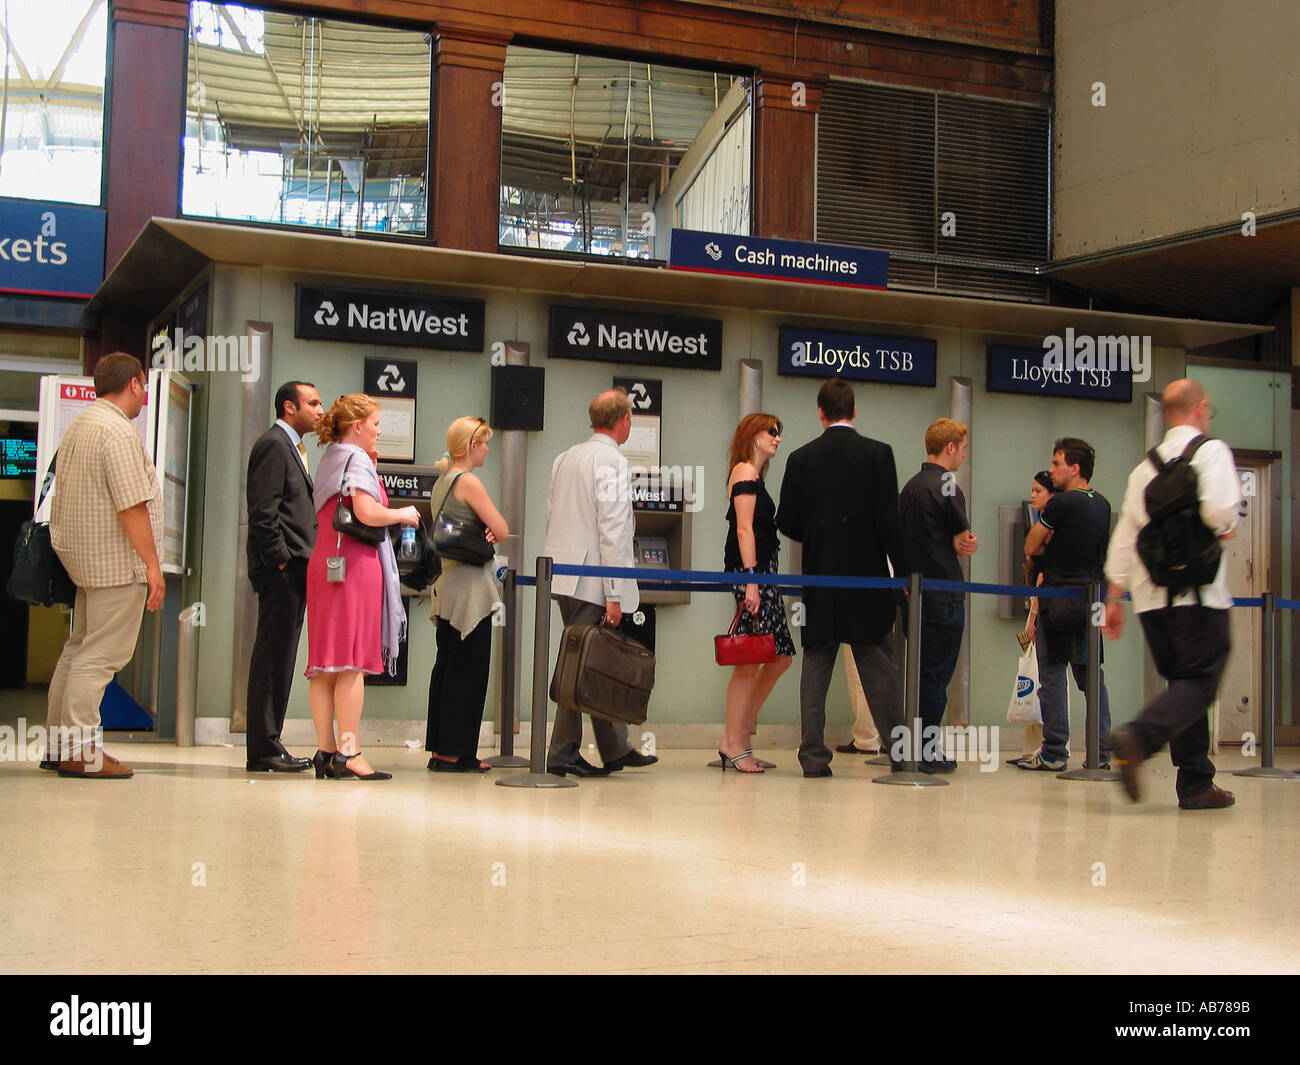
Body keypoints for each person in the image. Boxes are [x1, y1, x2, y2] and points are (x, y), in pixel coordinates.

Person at [1103, 379, 1240, 809]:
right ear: (1200, 408)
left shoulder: (1143, 469)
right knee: (1201, 682)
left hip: (1150, 600)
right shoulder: (1212, 451)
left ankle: (1197, 783)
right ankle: (1137, 738)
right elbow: (1220, 512)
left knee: (1183, 684)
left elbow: (1125, 534)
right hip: (1198, 597)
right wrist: (1224, 527)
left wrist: (1114, 595)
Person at [775, 377, 905, 777]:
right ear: (854, 410)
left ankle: (813, 756)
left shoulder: (800, 458)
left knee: (815, 668)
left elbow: (787, 521)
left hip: (820, 578)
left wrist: (818, 534)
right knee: (879, 670)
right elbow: (889, 524)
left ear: (820, 413)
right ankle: (901, 754)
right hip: (868, 581)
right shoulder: (878, 455)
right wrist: (902, 577)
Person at [45, 352, 164, 778]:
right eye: (143, 386)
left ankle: (59, 746)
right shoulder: (116, 431)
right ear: (134, 383)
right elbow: (131, 506)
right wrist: (152, 565)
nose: (144, 394)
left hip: (85, 561)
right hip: (116, 563)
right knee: (100, 657)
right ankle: (81, 752)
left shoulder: (82, 424)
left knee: (78, 650)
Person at [305, 394, 419, 781]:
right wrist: (403, 513)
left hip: (324, 563)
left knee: (323, 666)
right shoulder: (356, 460)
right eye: (375, 423)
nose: (380, 430)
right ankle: (350, 752)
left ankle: (325, 751)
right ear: (357, 427)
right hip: (352, 567)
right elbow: (366, 513)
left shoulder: (330, 458)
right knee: (352, 663)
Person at [544, 389, 658, 777]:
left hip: (562, 576)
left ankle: (615, 748)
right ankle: (562, 753)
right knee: (581, 665)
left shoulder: (565, 458)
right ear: (623, 420)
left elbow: (553, 517)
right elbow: (613, 530)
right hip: (593, 580)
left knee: (590, 659)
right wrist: (614, 591)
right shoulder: (613, 461)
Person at [1016, 437, 1112, 771]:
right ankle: (1100, 752)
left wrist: (1044, 545)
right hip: (1091, 600)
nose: (1052, 469)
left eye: (1057, 463)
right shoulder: (1102, 504)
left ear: (1074, 467)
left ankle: (1055, 751)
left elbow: (1030, 544)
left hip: (1058, 600)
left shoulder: (1059, 506)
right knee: (1091, 677)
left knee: (1053, 677)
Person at [244, 381, 323, 773]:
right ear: (289, 407)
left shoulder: (294, 448)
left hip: (293, 569)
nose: (320, 410)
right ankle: (264, 748)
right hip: (282, 570)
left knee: (282, 656)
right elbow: (263, 510)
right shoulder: (275, 445)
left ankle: (269, 743)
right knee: (272, 658)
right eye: (313, 403)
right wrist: (279, 560)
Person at [425, 417, 509, 773]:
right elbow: (502, 529)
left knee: (447, 667)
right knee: (469, 672)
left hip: (447, 586)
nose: (488, 449)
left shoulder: (442, 481)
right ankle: (456, 754)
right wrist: (491, 530)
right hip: (471, 592)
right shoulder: (469, 482)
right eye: (485, 443)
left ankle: (442, 750)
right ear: (472, 446)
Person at [895, 418, 978, 772]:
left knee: (917, 673)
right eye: (962, 449)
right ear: (950, 448)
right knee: (936, 677)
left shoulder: (910, 487)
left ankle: (909, 746)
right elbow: (964, 540)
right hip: (944, 594)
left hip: (913, 596)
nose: (962, 456)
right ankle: (927, 752)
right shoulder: (947, 485)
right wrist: (966, 541)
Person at [718, 413, 794, 772]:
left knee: (779, 655)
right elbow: (744, 531)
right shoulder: (745, 473)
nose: (778, 438)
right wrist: (751, 581)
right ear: (754, 435)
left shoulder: (754, 476)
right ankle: (732, 741)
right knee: (749, 659)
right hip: (753, 575)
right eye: (772, 432)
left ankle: (741, 734)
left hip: (763, 574)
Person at [1009, 470, 1055, 762]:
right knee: (1034, 673)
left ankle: (1046, 744)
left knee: (1045, 676)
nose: (1033, 495)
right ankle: (1031, 747)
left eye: (1038, 490)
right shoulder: (1040, 523)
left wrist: (1035, 614)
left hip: (1043, 606)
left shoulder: (1052, 528)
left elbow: (1043, 573)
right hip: (1036, 605)